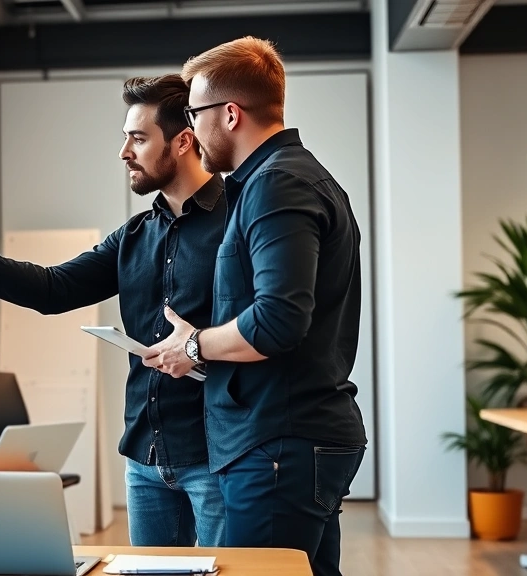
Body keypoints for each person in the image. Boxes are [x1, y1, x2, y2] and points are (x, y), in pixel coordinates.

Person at [0, 74, 228, 547]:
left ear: (183, 141)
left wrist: (201, 346)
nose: (123, 152)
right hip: (145, 458)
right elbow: (52, 288)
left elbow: (271, 324)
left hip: (218, 456)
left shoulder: (239, 222)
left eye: (138, 138)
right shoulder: (134, 237)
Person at [142, 38, 367, 574]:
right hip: (290, 441)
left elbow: (277, 320)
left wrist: (192, 346)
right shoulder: (294, 177)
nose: (190, 132)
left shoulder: (276, 184)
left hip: (278, 446)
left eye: (195, 114)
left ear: (231, 113)